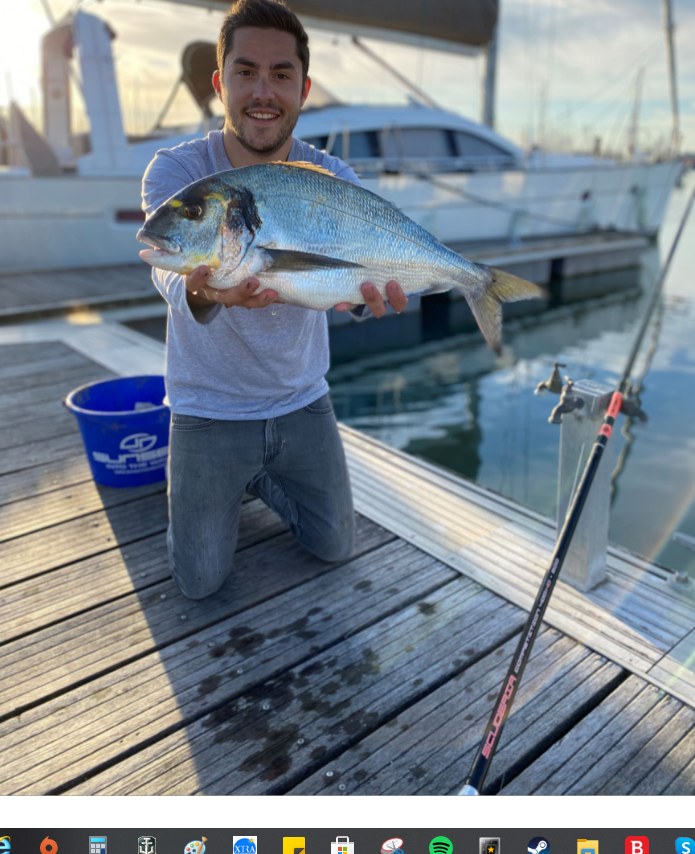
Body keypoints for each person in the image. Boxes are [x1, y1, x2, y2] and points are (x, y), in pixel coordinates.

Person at [141, 0, 409, 600]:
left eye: (281, 74)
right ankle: (219, 486)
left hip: (302, 399)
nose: (263, 92)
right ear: (220, 83)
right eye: (246, 72)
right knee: (199, 584)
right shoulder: (179, 174)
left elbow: (354, 280)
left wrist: (369, 300)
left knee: (335, 545)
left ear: (304, 88)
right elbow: (165, 267)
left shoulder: (333, 176)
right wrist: (201, 285)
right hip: (208, 408)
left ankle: (255, 479)